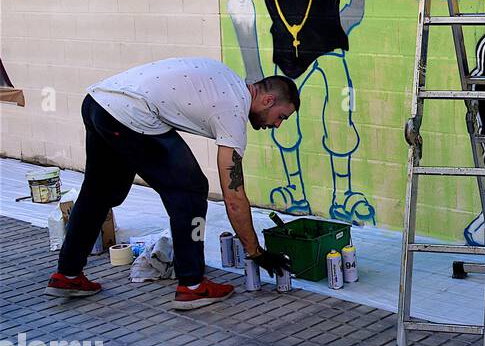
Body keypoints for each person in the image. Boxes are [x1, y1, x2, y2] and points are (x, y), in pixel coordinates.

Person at [46, 57, 297, 308]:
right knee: (191, 191)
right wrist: (255, 252)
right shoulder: (233, 110)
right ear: (268, 100)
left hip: (97, 103)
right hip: (130, 114)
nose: (276, 125)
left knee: (99, 192)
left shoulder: (227, 78)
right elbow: (233, 197)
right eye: (281, 117)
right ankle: (193, 285)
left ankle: (67, 275)